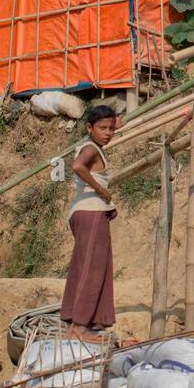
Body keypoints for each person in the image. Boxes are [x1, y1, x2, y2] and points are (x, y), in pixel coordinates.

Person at [62, 105, 119, 343]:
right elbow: (77, 166)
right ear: (89, 128)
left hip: (85, 213)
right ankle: (79, 327)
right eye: (102, 128)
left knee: (87, 266)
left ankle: (81, 323)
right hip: (92, 212)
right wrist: (101, 191)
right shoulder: (90, 149)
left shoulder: (93, 146)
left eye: (111, 128)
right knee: (92, 269)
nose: (108, 133)